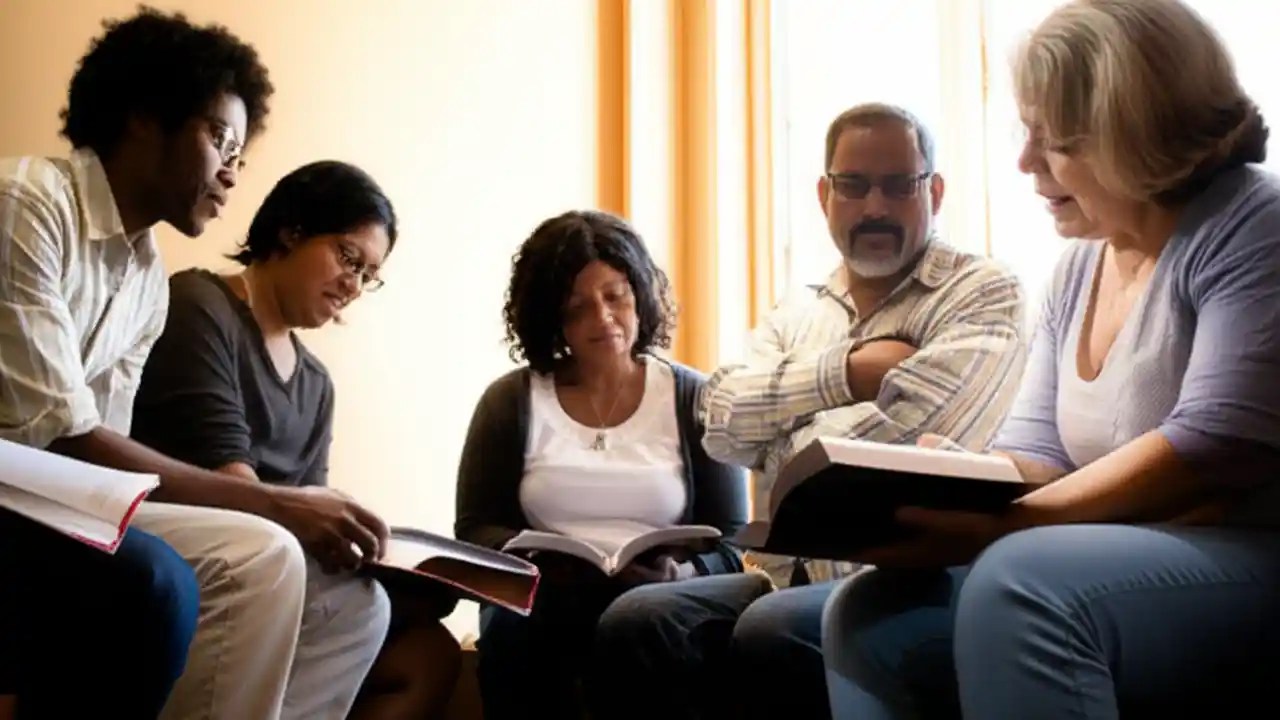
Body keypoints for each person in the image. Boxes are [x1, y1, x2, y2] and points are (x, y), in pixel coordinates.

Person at [822, 1, 1280, 718]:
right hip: (1126, 550)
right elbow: (1035, 450)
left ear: (1140, 134)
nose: (1026, 162)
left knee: (1019, 577)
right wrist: (953, 479)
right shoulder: (1077, 268)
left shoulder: (1253, 223)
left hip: (1252, 550)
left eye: (1056, 140)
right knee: (865, 609)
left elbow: (1216, 446)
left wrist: (1014, 524)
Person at [0, 8, 392, 719]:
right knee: (241, 554)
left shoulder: (145, 271)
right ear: (146, 118)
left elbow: (95, 473)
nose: (231, 174)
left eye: (239, 153)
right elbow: (61, 436)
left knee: (299, 573)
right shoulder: (26, 202)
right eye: (220, 139)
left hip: (62, 499)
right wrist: (278, 503)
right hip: (13, 488)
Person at [591, 103, 1028, 719]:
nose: (874, 206)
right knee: (640, 620)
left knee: (770, 629)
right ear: (825, 194)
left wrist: (776, 427)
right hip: (780, 571)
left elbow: (910, 434)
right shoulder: (797, 313)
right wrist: (847, 372)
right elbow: (717, 420)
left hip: (915, 572)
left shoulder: (981, 291)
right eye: (853, 185)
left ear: (934, 190)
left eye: (899, 185)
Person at [130, 159, 463, 719]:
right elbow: (229, 477)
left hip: (281, 557)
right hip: (205, 543)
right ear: (292, 230)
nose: (353, 286)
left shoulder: (315, 384)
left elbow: (312, 506)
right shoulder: (200, 306)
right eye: (348, 257)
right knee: (352, 610)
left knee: (428, 651)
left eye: (368, 274)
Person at [454, 209, 749, 719]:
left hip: (666, 595)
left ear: (640, 293)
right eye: (577, 306)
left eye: (615, 296)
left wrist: (681, 572)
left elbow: (733, 538)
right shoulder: (511, 401)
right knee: (515, 623)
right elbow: (474, 529)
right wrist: (536, 564)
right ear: (551, 318)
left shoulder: (693, 398)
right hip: (547, 596)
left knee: (641, 619)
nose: (603, 319)